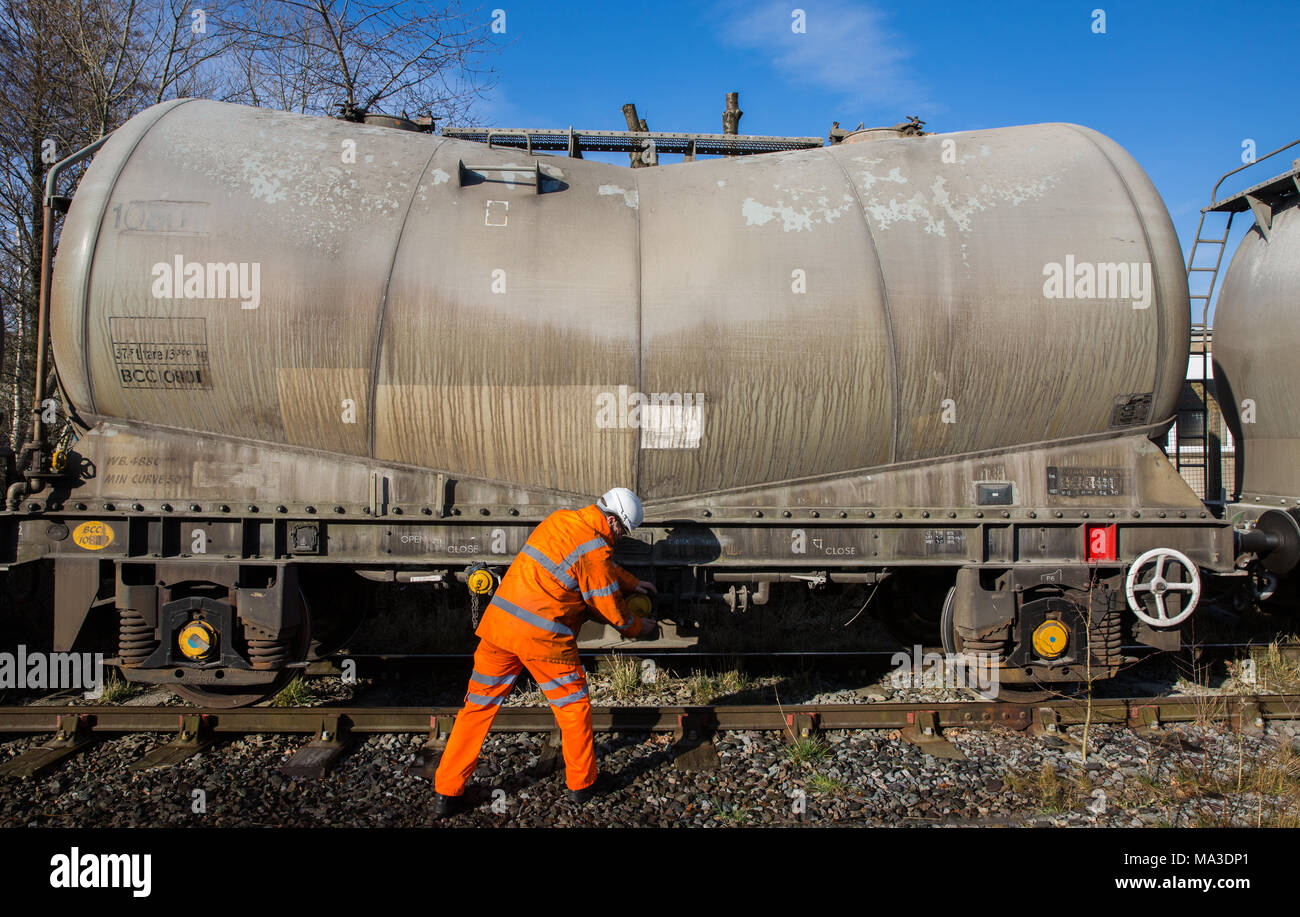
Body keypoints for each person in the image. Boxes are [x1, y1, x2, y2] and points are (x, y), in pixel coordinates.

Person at [433, 487, 658, 816]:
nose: (621, 537)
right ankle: (582, 785)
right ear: (611, 520)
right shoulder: (596, 549)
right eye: (622, 530)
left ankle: (446, 792)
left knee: (476, 709)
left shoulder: (559, 520)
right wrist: (639, 627)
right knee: (573, 708)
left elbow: (592, 563)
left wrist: (631, 582)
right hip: (543, 639)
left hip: (499, 629)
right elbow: (611, 607)